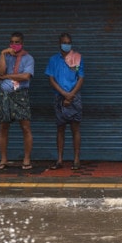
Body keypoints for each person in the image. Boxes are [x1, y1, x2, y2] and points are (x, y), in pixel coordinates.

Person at [45, 32, 84, 170]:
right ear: (59, 43)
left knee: (75, 128)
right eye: (64, 42)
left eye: (68, 42)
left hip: (74, 97)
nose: (66, 45)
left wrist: (71, 95)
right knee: (60, 128)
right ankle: (60, 160)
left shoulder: (77, 58)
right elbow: (51, 79)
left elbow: (80, 78)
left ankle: (76, 160)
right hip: (59, 97)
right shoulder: (53, 60)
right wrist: (63, 94)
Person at [0, 31, 35, 170]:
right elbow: (0, 72)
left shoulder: (28, 58)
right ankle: (3, 159)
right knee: (3, 127)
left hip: (21, 94)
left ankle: (26, 159)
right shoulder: (5, 56)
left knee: (25, 127)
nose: (14, 44)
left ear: (22, 43)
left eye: (17, 42)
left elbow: (25, 76)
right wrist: (2, 54)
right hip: (5, 94)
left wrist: (7, 76)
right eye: (12, 42)